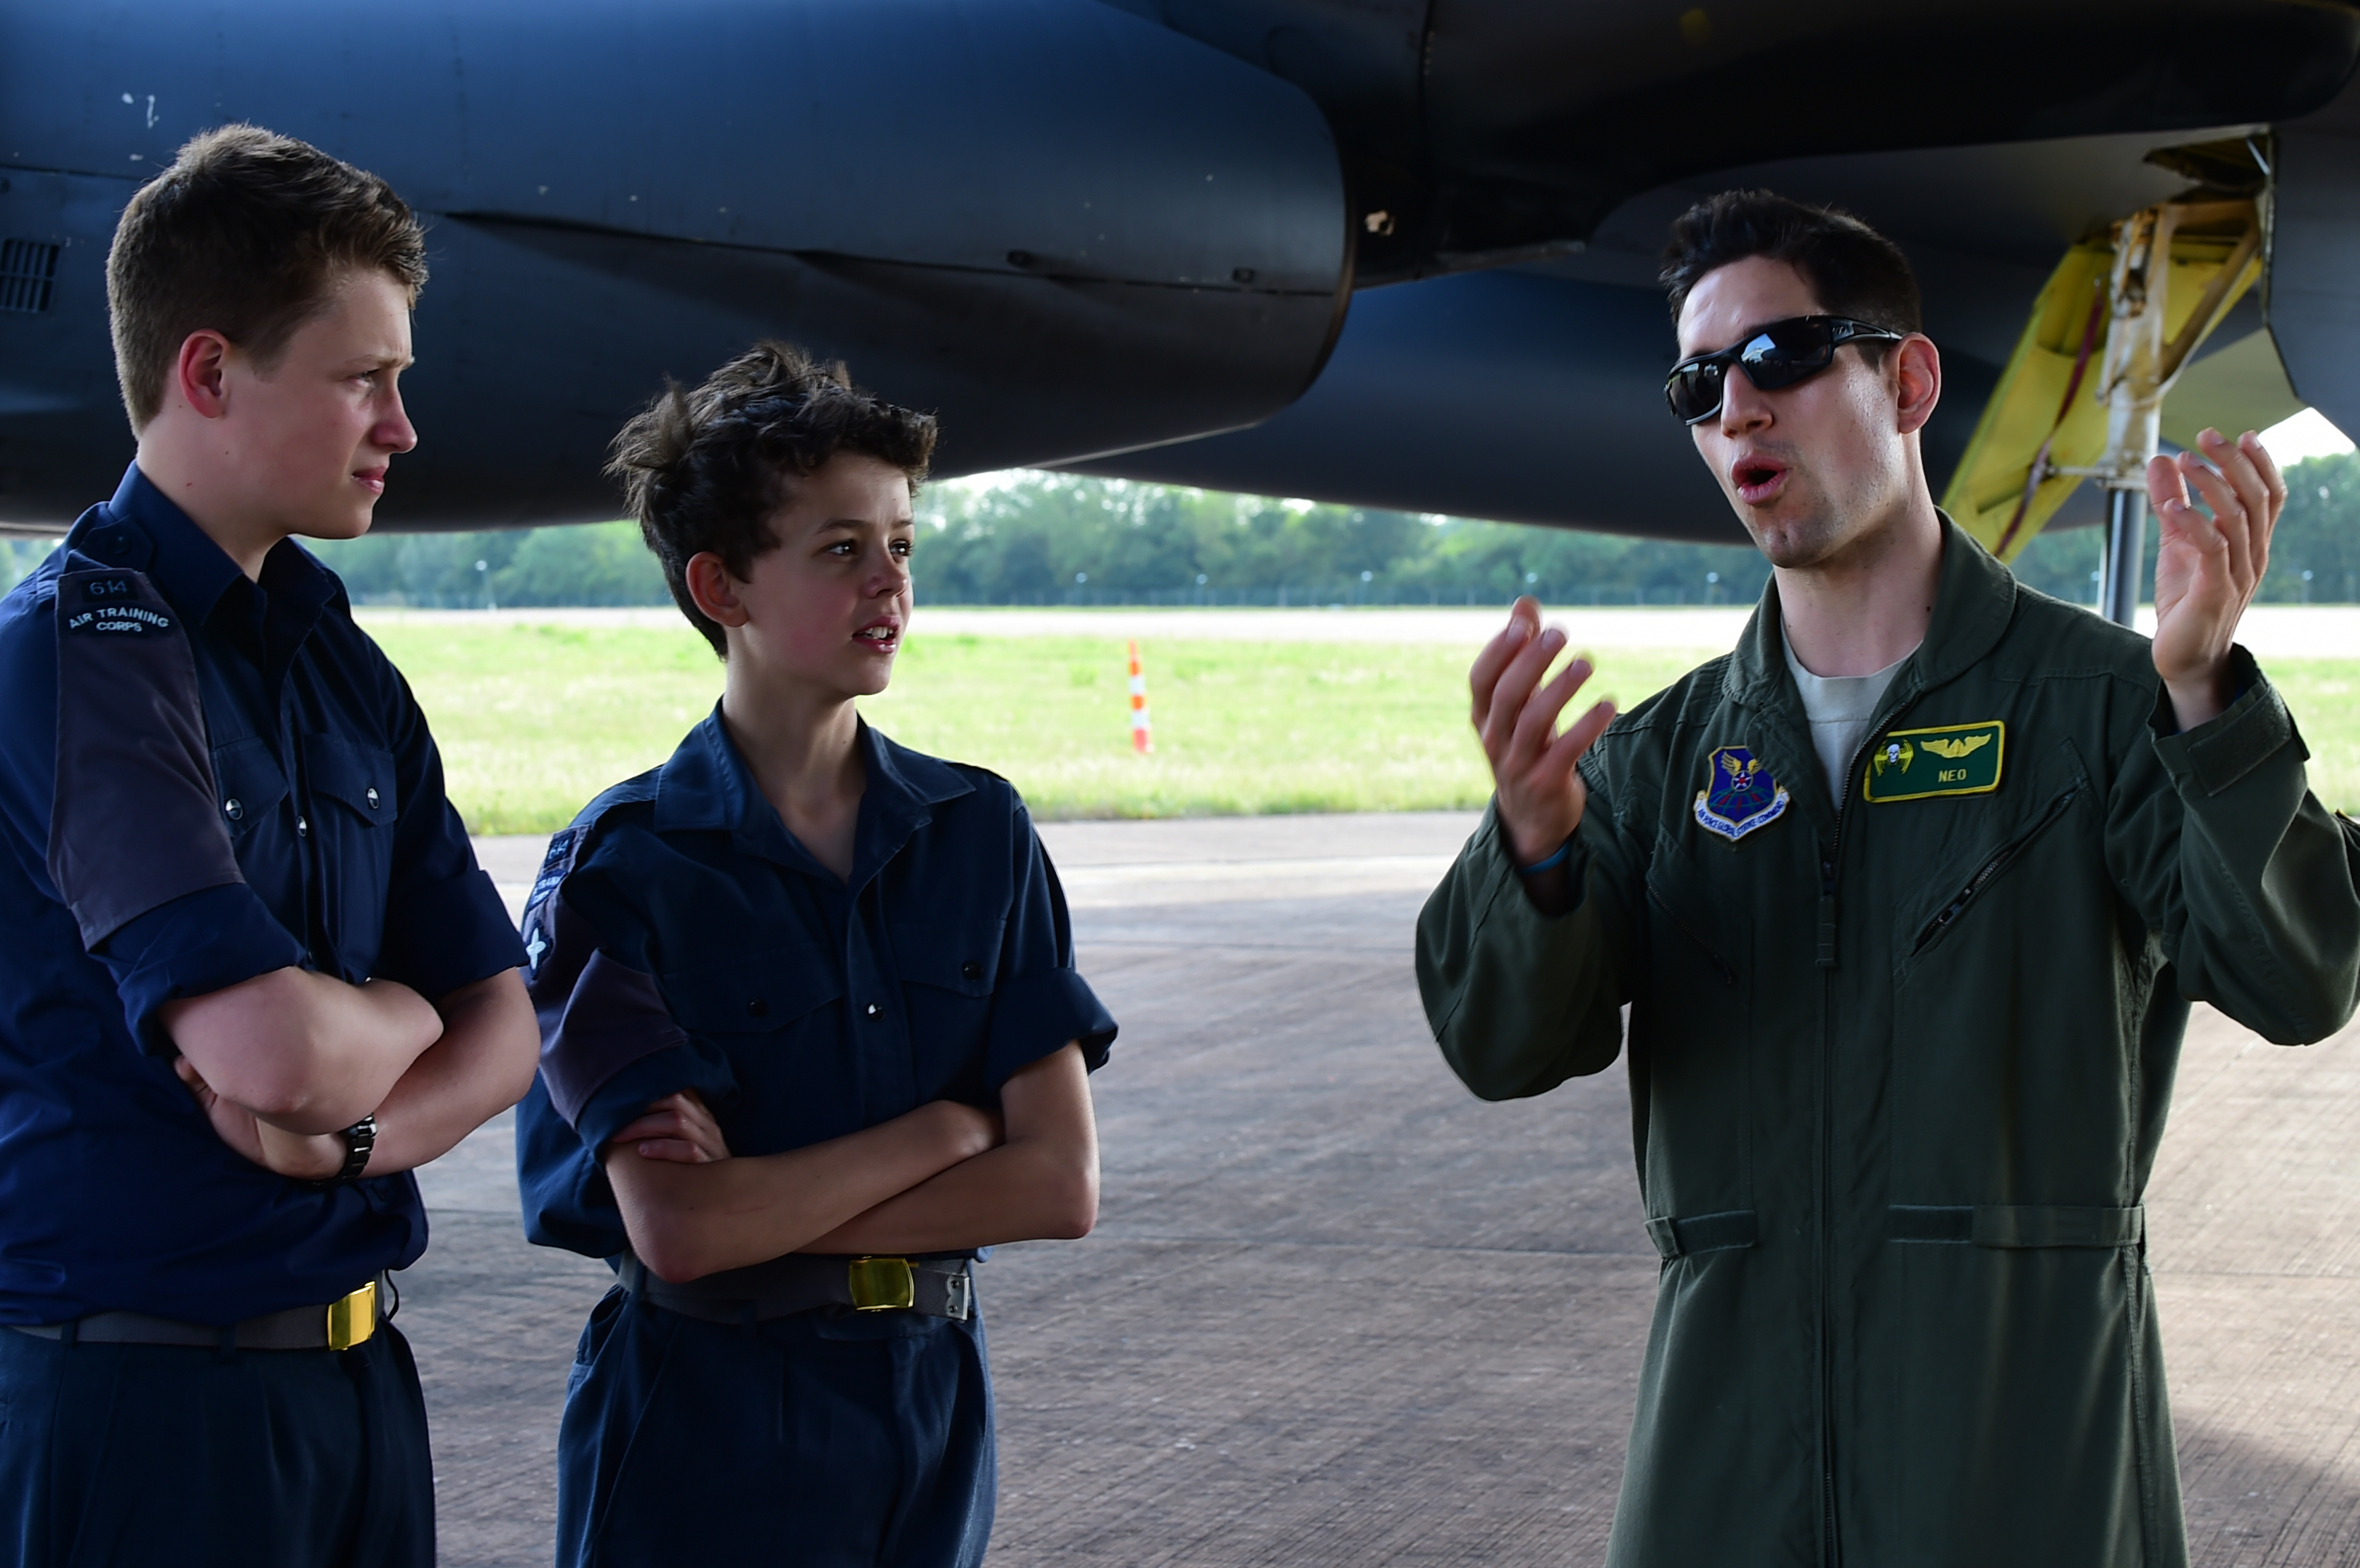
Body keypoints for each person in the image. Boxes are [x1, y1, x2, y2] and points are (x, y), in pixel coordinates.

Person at [1415, 189, 2360, 1566]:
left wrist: (2206, 697)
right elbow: (1498, 1043)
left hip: (2024, 1475)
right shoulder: (1657, 759)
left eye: (1780, 354)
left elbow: (2300, 976)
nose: (1737, 407)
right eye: (1698, 383)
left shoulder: (2104, 709)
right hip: (1726, 1482)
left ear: (1907, 382)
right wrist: (1535, 845)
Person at [0, 125, 540, 1566]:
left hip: (356, 1387)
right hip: (147, 1405)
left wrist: (356, 1138)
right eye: (365, 378)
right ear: (209, 372)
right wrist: (403, 1015)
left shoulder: (336, 660)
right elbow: (272, 1057)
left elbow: (505, 1026)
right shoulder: (81, 653)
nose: (401, 426)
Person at [515, 341, 1117, 1568]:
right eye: (840, 549)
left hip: (928, 1407)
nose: (888, 582)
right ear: (721, 585)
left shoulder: (980, 833)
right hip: (701, 1419)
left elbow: (1057, 1185)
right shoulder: (619, 869)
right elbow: (681, 1230)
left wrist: (765, 1201)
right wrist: (945, 1131)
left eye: (900, 543)